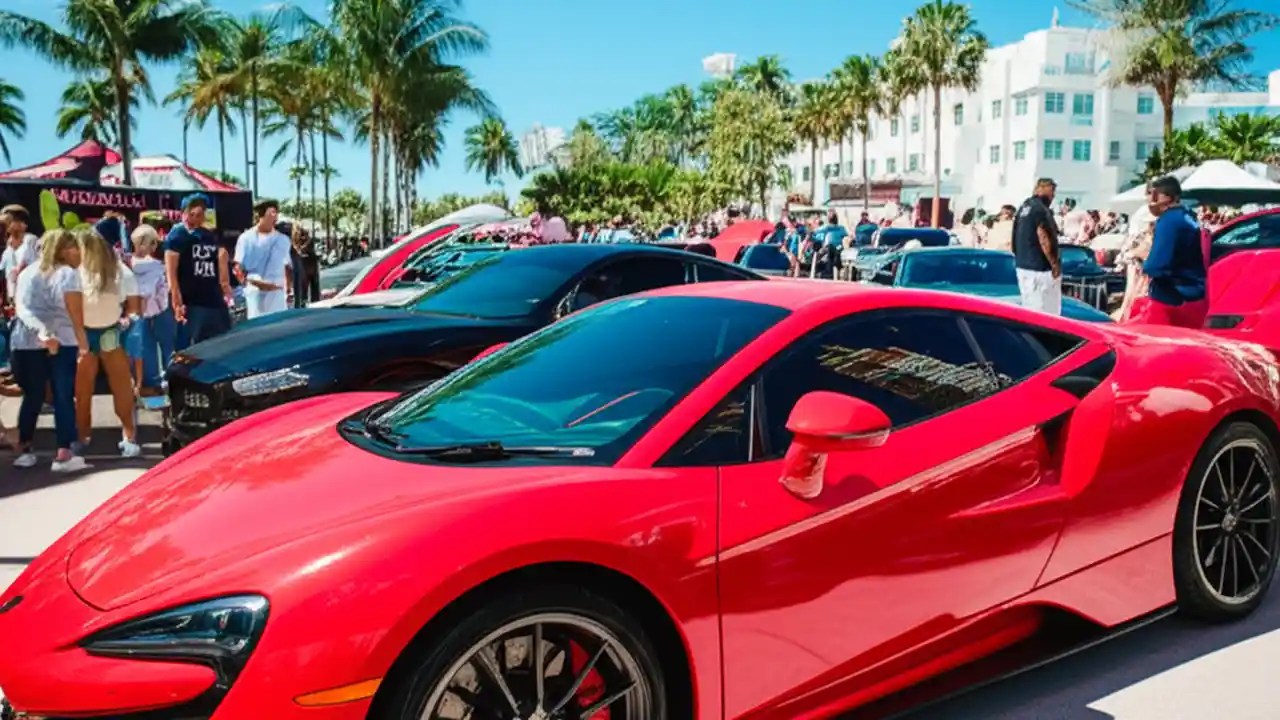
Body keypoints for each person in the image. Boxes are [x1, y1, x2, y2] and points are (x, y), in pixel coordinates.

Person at [10, 229, 88, 471]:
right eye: (75, 247)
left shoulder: (27, 274)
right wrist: (82, 342)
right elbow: (75, 313)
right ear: (65, 249)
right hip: (62, 340)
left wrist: (40, 330)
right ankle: (64, 452)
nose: (79, 253)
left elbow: (21, 308)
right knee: (63, 395)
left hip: (24, 342)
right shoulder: (68, 274)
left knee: (33, 396)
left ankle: (25, 449)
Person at [74, 219, 142, 457]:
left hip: (110, 331)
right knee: (83, 389)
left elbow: (134, 307)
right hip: (85, 334)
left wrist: (128, 322)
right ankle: (82, 435)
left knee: (121, 386)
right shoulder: (77, 271)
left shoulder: (121, 271)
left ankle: (129, 435)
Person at [1128, 176, 1208, 328]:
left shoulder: (1169, 220)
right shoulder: (1188, 217)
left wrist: (1143, 259)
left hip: (1171, 299)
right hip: (1194, 298)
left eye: (1155, 195)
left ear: (1170, 197)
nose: (1151, 200)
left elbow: (1157, 265)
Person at [165, 194, 231, 347]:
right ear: (183, 213)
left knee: (219, 343)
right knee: (192, 347)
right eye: (191, 214)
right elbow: (171, 273)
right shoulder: (176, 236)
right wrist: (177, 301)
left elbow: (220, 261)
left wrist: (225, 287)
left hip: (215, 301)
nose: (195, 218)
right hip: (191, 303)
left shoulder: (209, 236)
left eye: (199, 214)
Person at [128, 224, 174, 396]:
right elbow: (157, 290)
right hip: (158, 310)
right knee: (165, 346)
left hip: (134, 313)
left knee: (142, 349)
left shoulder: (126, 264)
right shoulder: (157, 266)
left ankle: (147, 383)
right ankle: (165, 381)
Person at [1012, 178, 1062, 314]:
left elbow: (1014, 237)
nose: (1053, 196)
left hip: (1023, 266)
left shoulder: (1023, 208)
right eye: (1052, 192)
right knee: (1047, 313)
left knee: (1030, 311)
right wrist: (1054, 263)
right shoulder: (1040, 209)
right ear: (1042, 189)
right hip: (1040, 271)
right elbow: (1043, 236)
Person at [234, 199, 291, 318]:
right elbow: (238, 268)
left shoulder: (283, 240)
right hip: (255, 296)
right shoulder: (246, 239)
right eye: (271, 212)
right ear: (261, 215)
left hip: (277, 297)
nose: (275, 216)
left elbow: (286, 266)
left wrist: (287, 288)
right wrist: (248, 283)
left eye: (276, 212)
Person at [290, 224, 319, 308]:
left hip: (304, 265)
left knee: (303, 289)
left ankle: (303, 305)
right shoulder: (307, 241)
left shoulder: (295, 242)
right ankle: (312, 304)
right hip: (309, 265)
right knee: (311, 288)